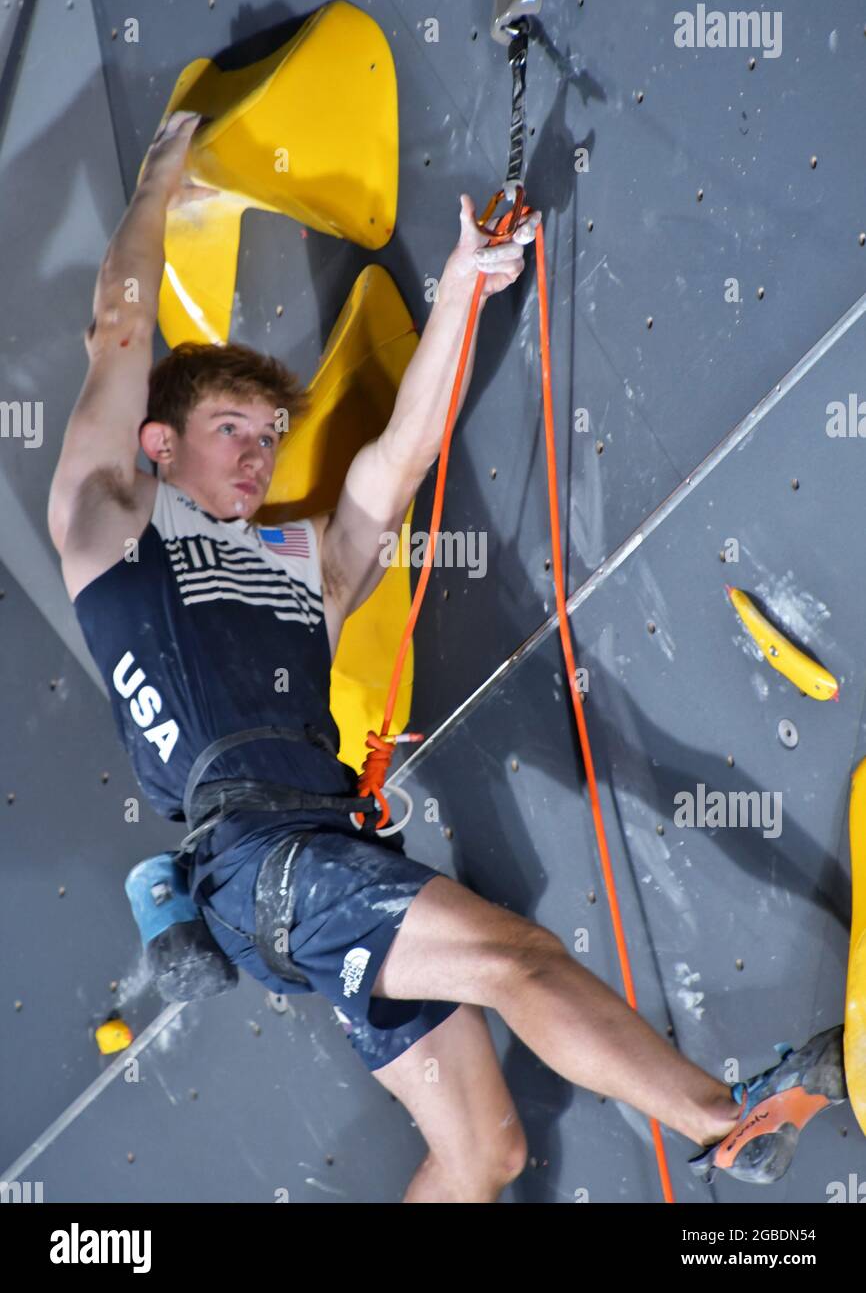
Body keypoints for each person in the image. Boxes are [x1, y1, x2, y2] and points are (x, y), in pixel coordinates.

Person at [48, 110, 847, 1203]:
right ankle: (729, 1123)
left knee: (485, 1151)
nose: (258, 451)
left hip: (308, 862)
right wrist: (155, 179)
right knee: (516, 959)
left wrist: (466, 285)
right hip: (264, 866)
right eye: (234, 426)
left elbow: (391, 463)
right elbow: (120, 331)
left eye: (269, 436)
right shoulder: (111, 531)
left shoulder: (297, 566)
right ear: (158, 443)